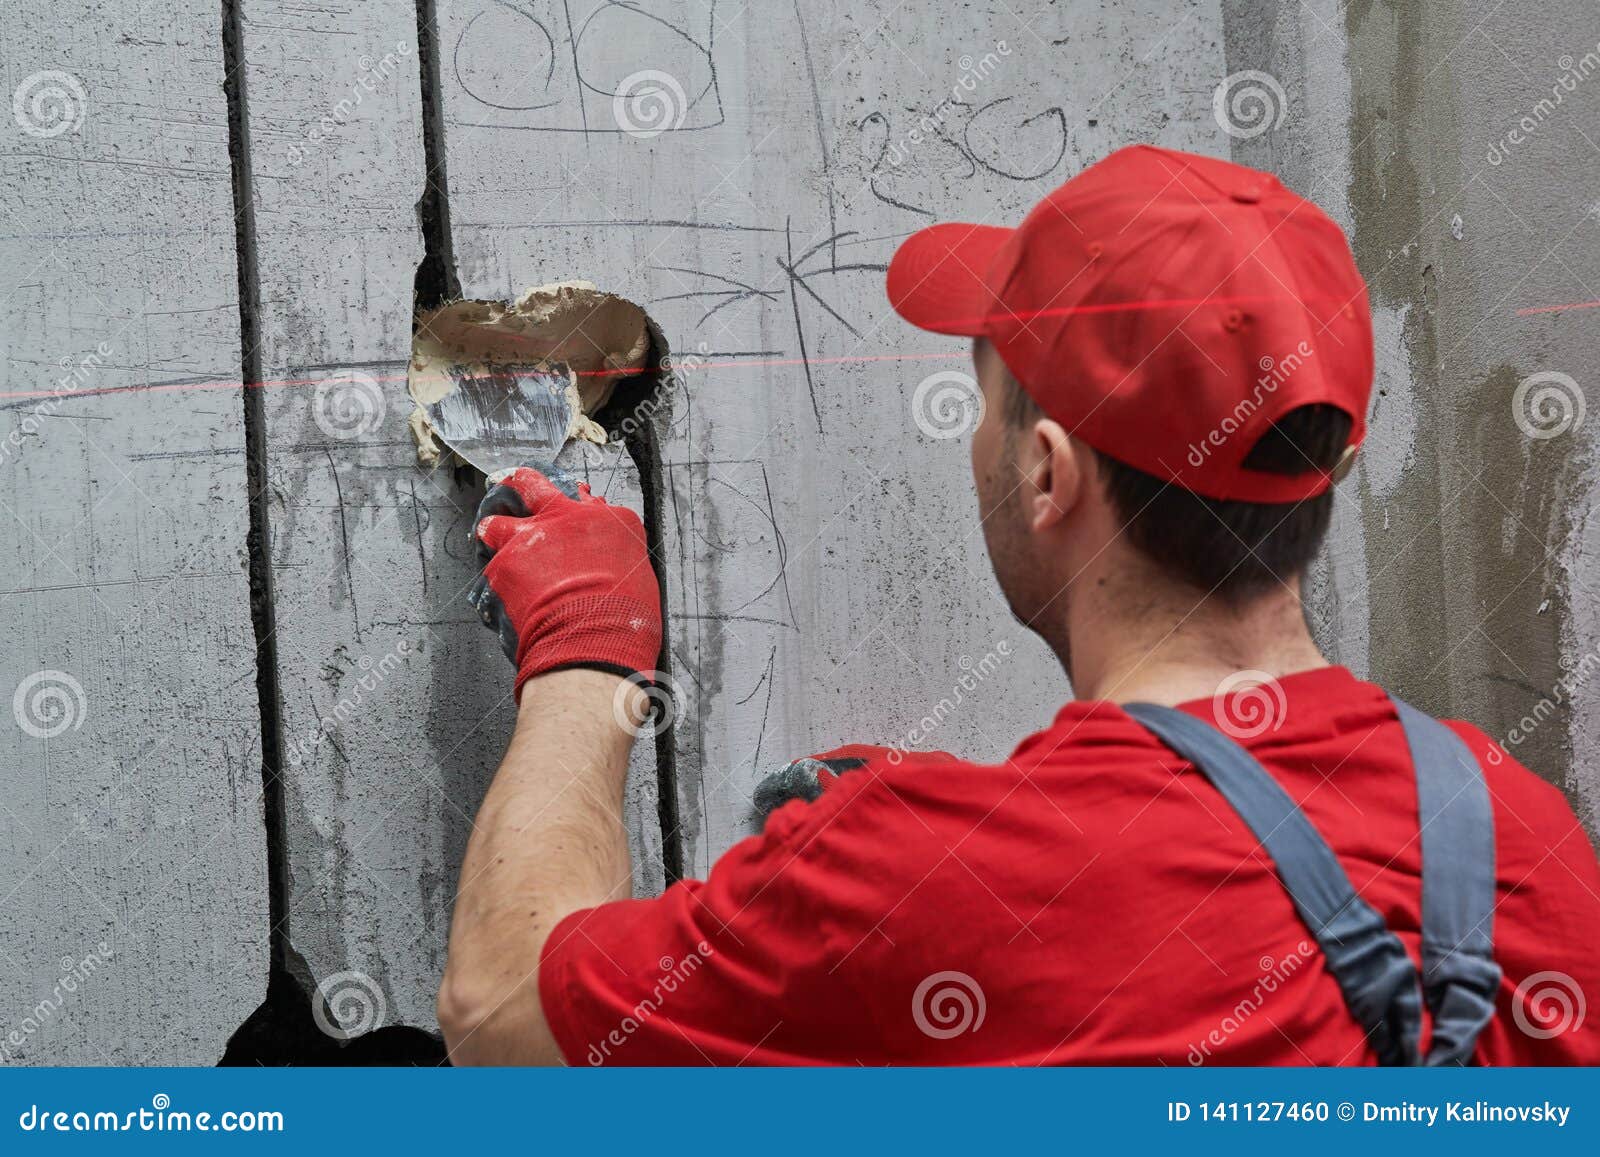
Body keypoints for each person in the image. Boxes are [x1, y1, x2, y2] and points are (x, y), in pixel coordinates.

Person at [436, 145, 1600, 1066]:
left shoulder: (922, 874)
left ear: (1047, 471)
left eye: (984, 399)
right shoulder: (1524, 834)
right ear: (1326, 464)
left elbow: (500, 1013)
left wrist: (585, 649)